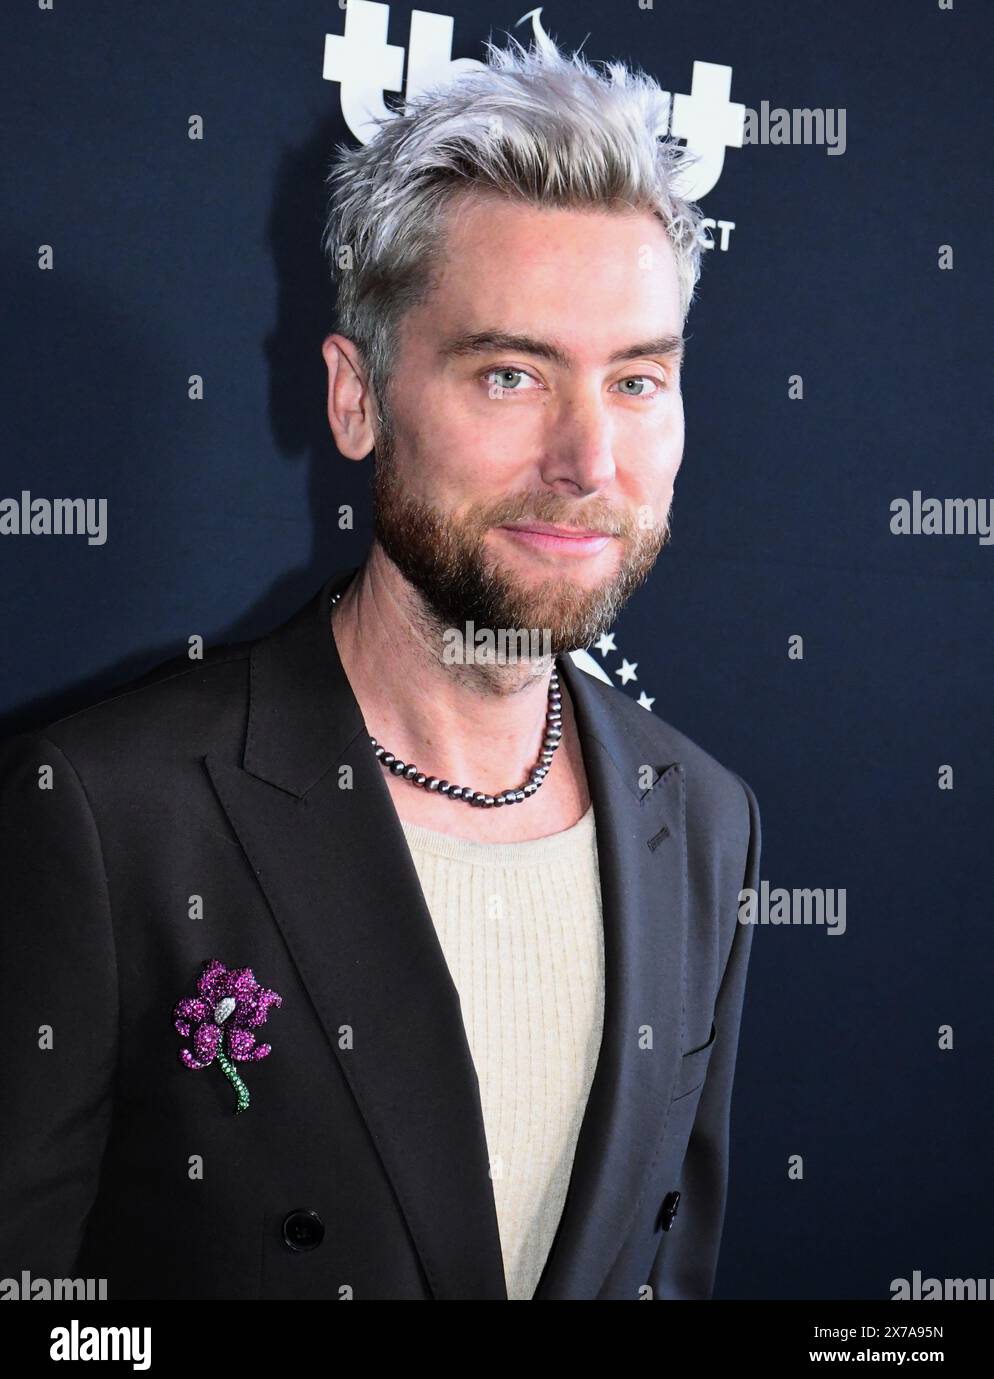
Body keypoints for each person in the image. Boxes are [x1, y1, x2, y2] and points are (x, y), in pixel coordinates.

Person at [0, 30, 760, 1301]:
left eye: (636, 380)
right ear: (356, 397)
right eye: (511, 373)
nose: (588, 460)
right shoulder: (102, 812)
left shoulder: (706, 819)